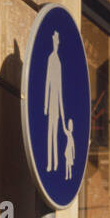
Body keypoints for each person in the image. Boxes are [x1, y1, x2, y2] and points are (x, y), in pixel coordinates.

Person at [44, 30, 66, 174]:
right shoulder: (52, 58)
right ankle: (50, 163)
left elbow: (60, 89)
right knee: (50, 133)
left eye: (57, 42)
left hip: (57, 104)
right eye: (54, 41)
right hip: (51, 102)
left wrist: (63, 114)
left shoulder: (58, 60)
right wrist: (45, 104)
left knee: (55, 134)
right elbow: (48, 83)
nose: (56, 44)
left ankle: (56, 163)